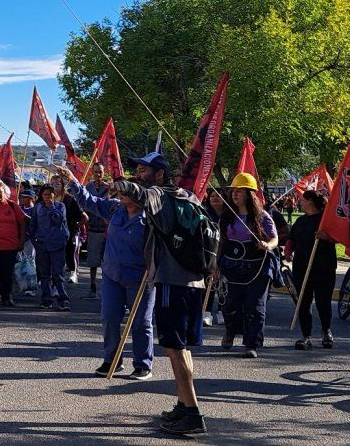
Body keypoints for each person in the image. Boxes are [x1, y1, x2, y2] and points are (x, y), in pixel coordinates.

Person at [109, 151, 208, 436]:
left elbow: (138, 193)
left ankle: (191, 413)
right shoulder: (186, 195)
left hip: (171, 281)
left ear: (160, 174)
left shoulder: (158, 194)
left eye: (143, 169)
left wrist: (122, 185)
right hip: (193, 280)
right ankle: (184, 402)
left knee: (174, 348)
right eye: (137, 169)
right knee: (182, 346)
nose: (139, 174)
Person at [63, 165, 154, 380]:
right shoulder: (115, 208)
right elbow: (89, 202)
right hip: (113, 275)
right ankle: (112, 359)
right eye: (121, 190)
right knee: (109, 317)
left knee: (141, 321)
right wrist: (72, 180)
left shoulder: (151, 217)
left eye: (126, 190)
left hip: (140, 278)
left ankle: (143, 364)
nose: (121, 194)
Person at [217, 173, 277, 358]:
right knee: (230, 304)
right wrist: (215, 265)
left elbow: (274, 238)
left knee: (255, 307)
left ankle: (251, 343)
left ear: (250, 194)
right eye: (233, 191)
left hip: (257, 267)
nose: (235, 194)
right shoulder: (227, 216)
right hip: (232, 265)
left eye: (240, 191)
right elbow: (221, 243)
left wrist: (267, 245)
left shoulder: (262, 216)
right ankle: (230, 331)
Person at [284, 190, 337, 350]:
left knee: (323, 302)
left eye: (302, 200)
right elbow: (291, 239)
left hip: (323, 267)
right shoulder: (300, 221)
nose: (299, 202)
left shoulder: (325, 221)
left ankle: (326, 331)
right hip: (301, 267)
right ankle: (306, 336)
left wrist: (326, 237)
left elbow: (338, 237)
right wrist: (287, 252)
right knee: (303, 302)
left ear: (311, 201)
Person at [27, 185, 71, 311]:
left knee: (58, 274)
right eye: (45, 195)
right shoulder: (38, 207)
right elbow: (33, 224)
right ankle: (46, 299)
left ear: (54, 195)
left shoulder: (60, 206)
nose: (48, 197)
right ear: (41, 195)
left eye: (50, 194)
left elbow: (59, 221)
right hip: (42, 245)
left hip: (57, 245)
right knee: (44, 275)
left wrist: (51, 207)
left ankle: (63, 299)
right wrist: (35, 240)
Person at [84, 166, 112, 298]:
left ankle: (108, 288)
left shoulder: (110, 187)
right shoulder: (88, 187)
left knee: (108, 261)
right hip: (93, 228)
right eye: (95, 171)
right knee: (93, 260)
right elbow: (83, 203)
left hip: (108, 230)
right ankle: (92, 286)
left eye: (100, 171)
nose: (98, 174)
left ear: (103, 172)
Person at [202, 188, 228, 326]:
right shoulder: (205, 214)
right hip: (209, 253)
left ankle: (221, 311)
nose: (215, 198)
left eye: (218, 196)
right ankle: (206, 312)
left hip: (226, 253)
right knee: (209, 283)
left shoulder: (230, 215)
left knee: (223, 284)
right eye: (212, 196)